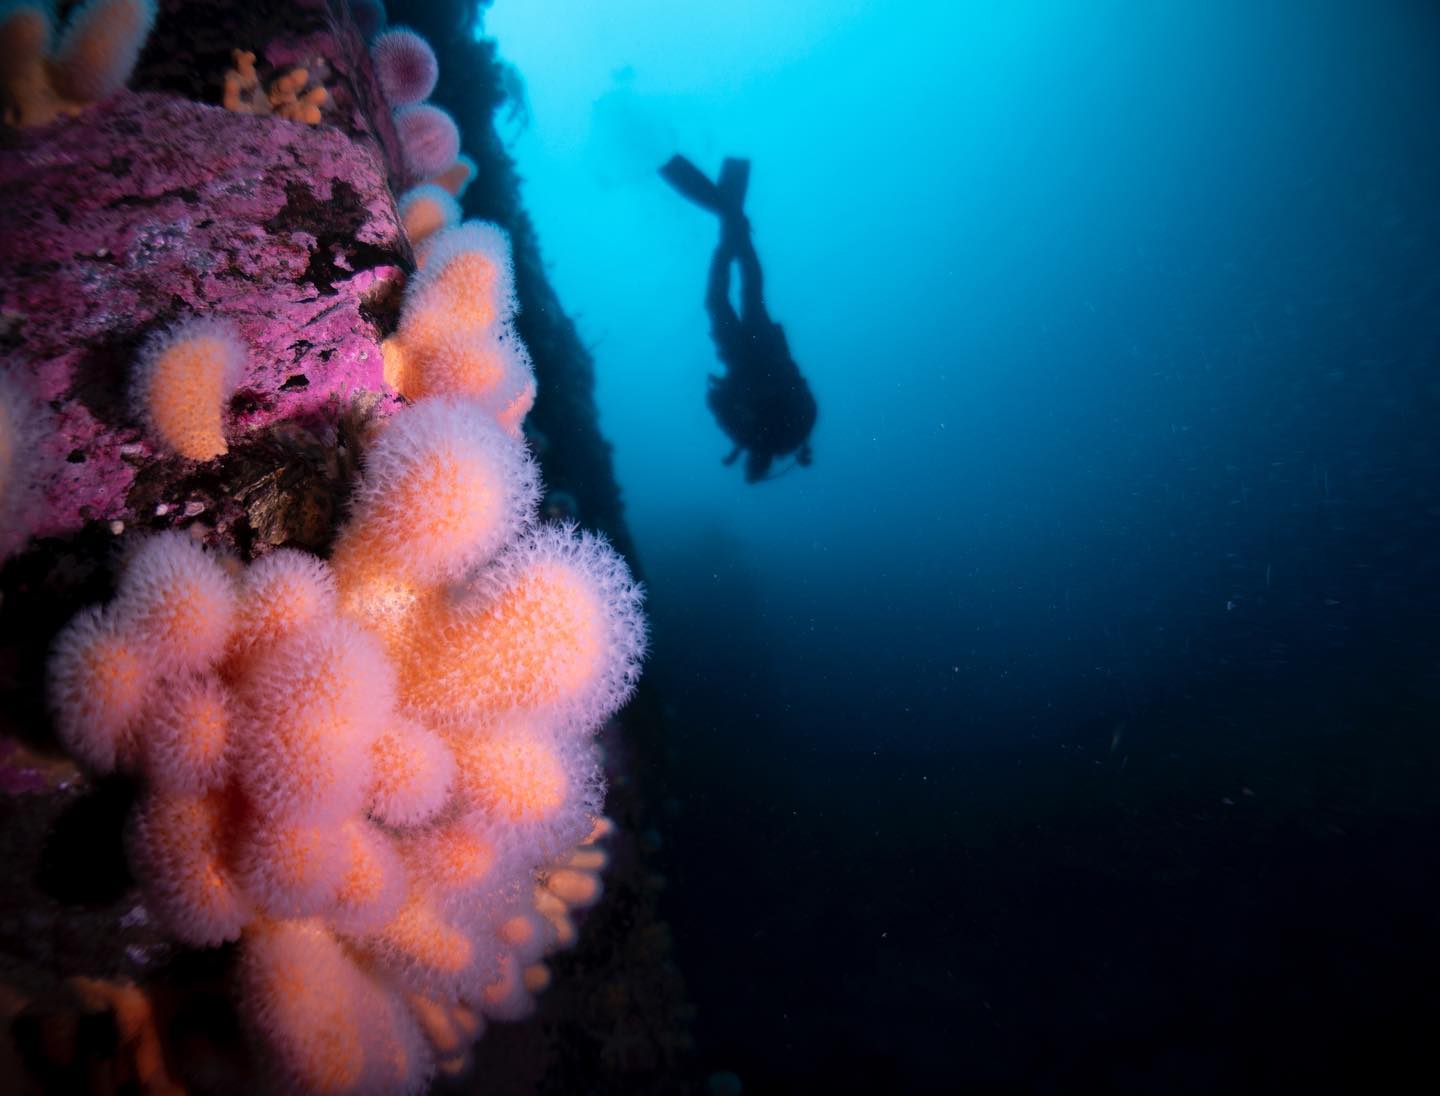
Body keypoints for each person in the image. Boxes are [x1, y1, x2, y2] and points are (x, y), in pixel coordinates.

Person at [660, 155, 817, 482]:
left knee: (747, 290)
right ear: (761, 464)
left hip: (761, 353)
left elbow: (800, 392)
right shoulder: (754, 436)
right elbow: (716, 401)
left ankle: (735, 226)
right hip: (752, 355)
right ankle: (734, 225)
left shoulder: (792, 432)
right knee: (724, 297)